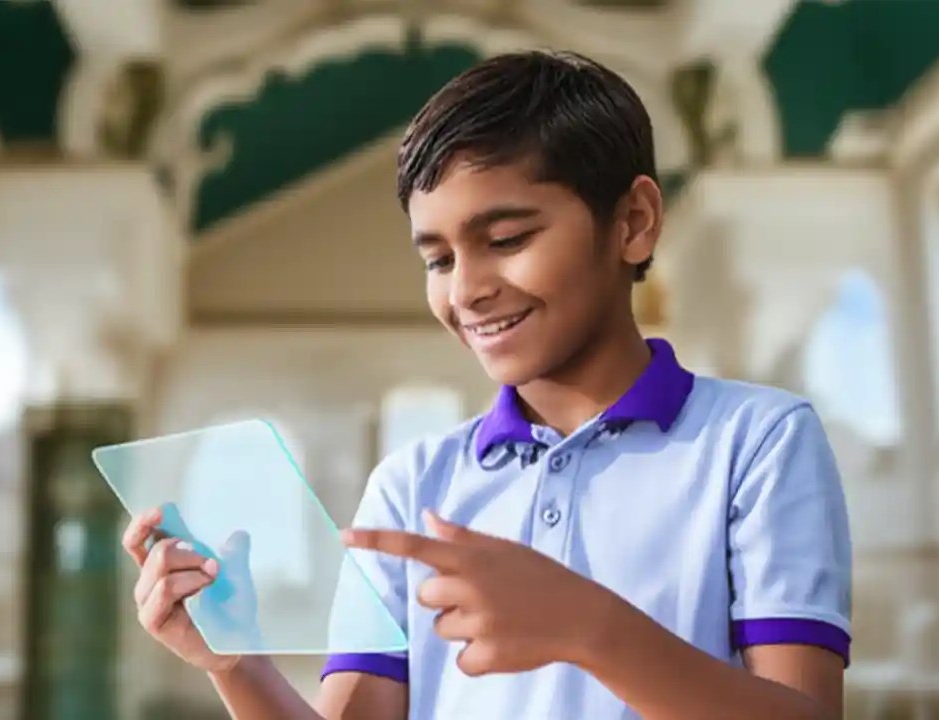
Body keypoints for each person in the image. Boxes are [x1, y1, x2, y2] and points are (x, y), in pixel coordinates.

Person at [122, 49, 851, 719]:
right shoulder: (412, 487)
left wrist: (587, 626)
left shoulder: (757, 443)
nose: (466, 290)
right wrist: (235, 663)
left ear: (633, 222)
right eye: (438, 260)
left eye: (505, 241)